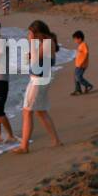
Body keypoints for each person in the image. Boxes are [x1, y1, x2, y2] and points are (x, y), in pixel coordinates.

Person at [13, 20, 62, 153]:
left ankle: (24, 146)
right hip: (40, 80)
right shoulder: (47, 42)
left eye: (32, 33)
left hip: (38, 81)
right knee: (41, 112)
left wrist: (31, 45)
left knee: (27, 111)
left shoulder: (47, 43)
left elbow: (34, 61)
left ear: (39, 33)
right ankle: (56, 140)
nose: (30, 35)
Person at [71, 30, 93, 95]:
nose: (75, 41)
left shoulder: (84, 45)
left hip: (82, 65)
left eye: (75, 39)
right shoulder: (80, 45)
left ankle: (88, 85)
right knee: (75, 77)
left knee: (79, 77)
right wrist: (75, 58)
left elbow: (86, 54)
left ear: (80, 38)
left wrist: (81, 63)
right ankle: (78, 90)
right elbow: (80, 54)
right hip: (78, 65)